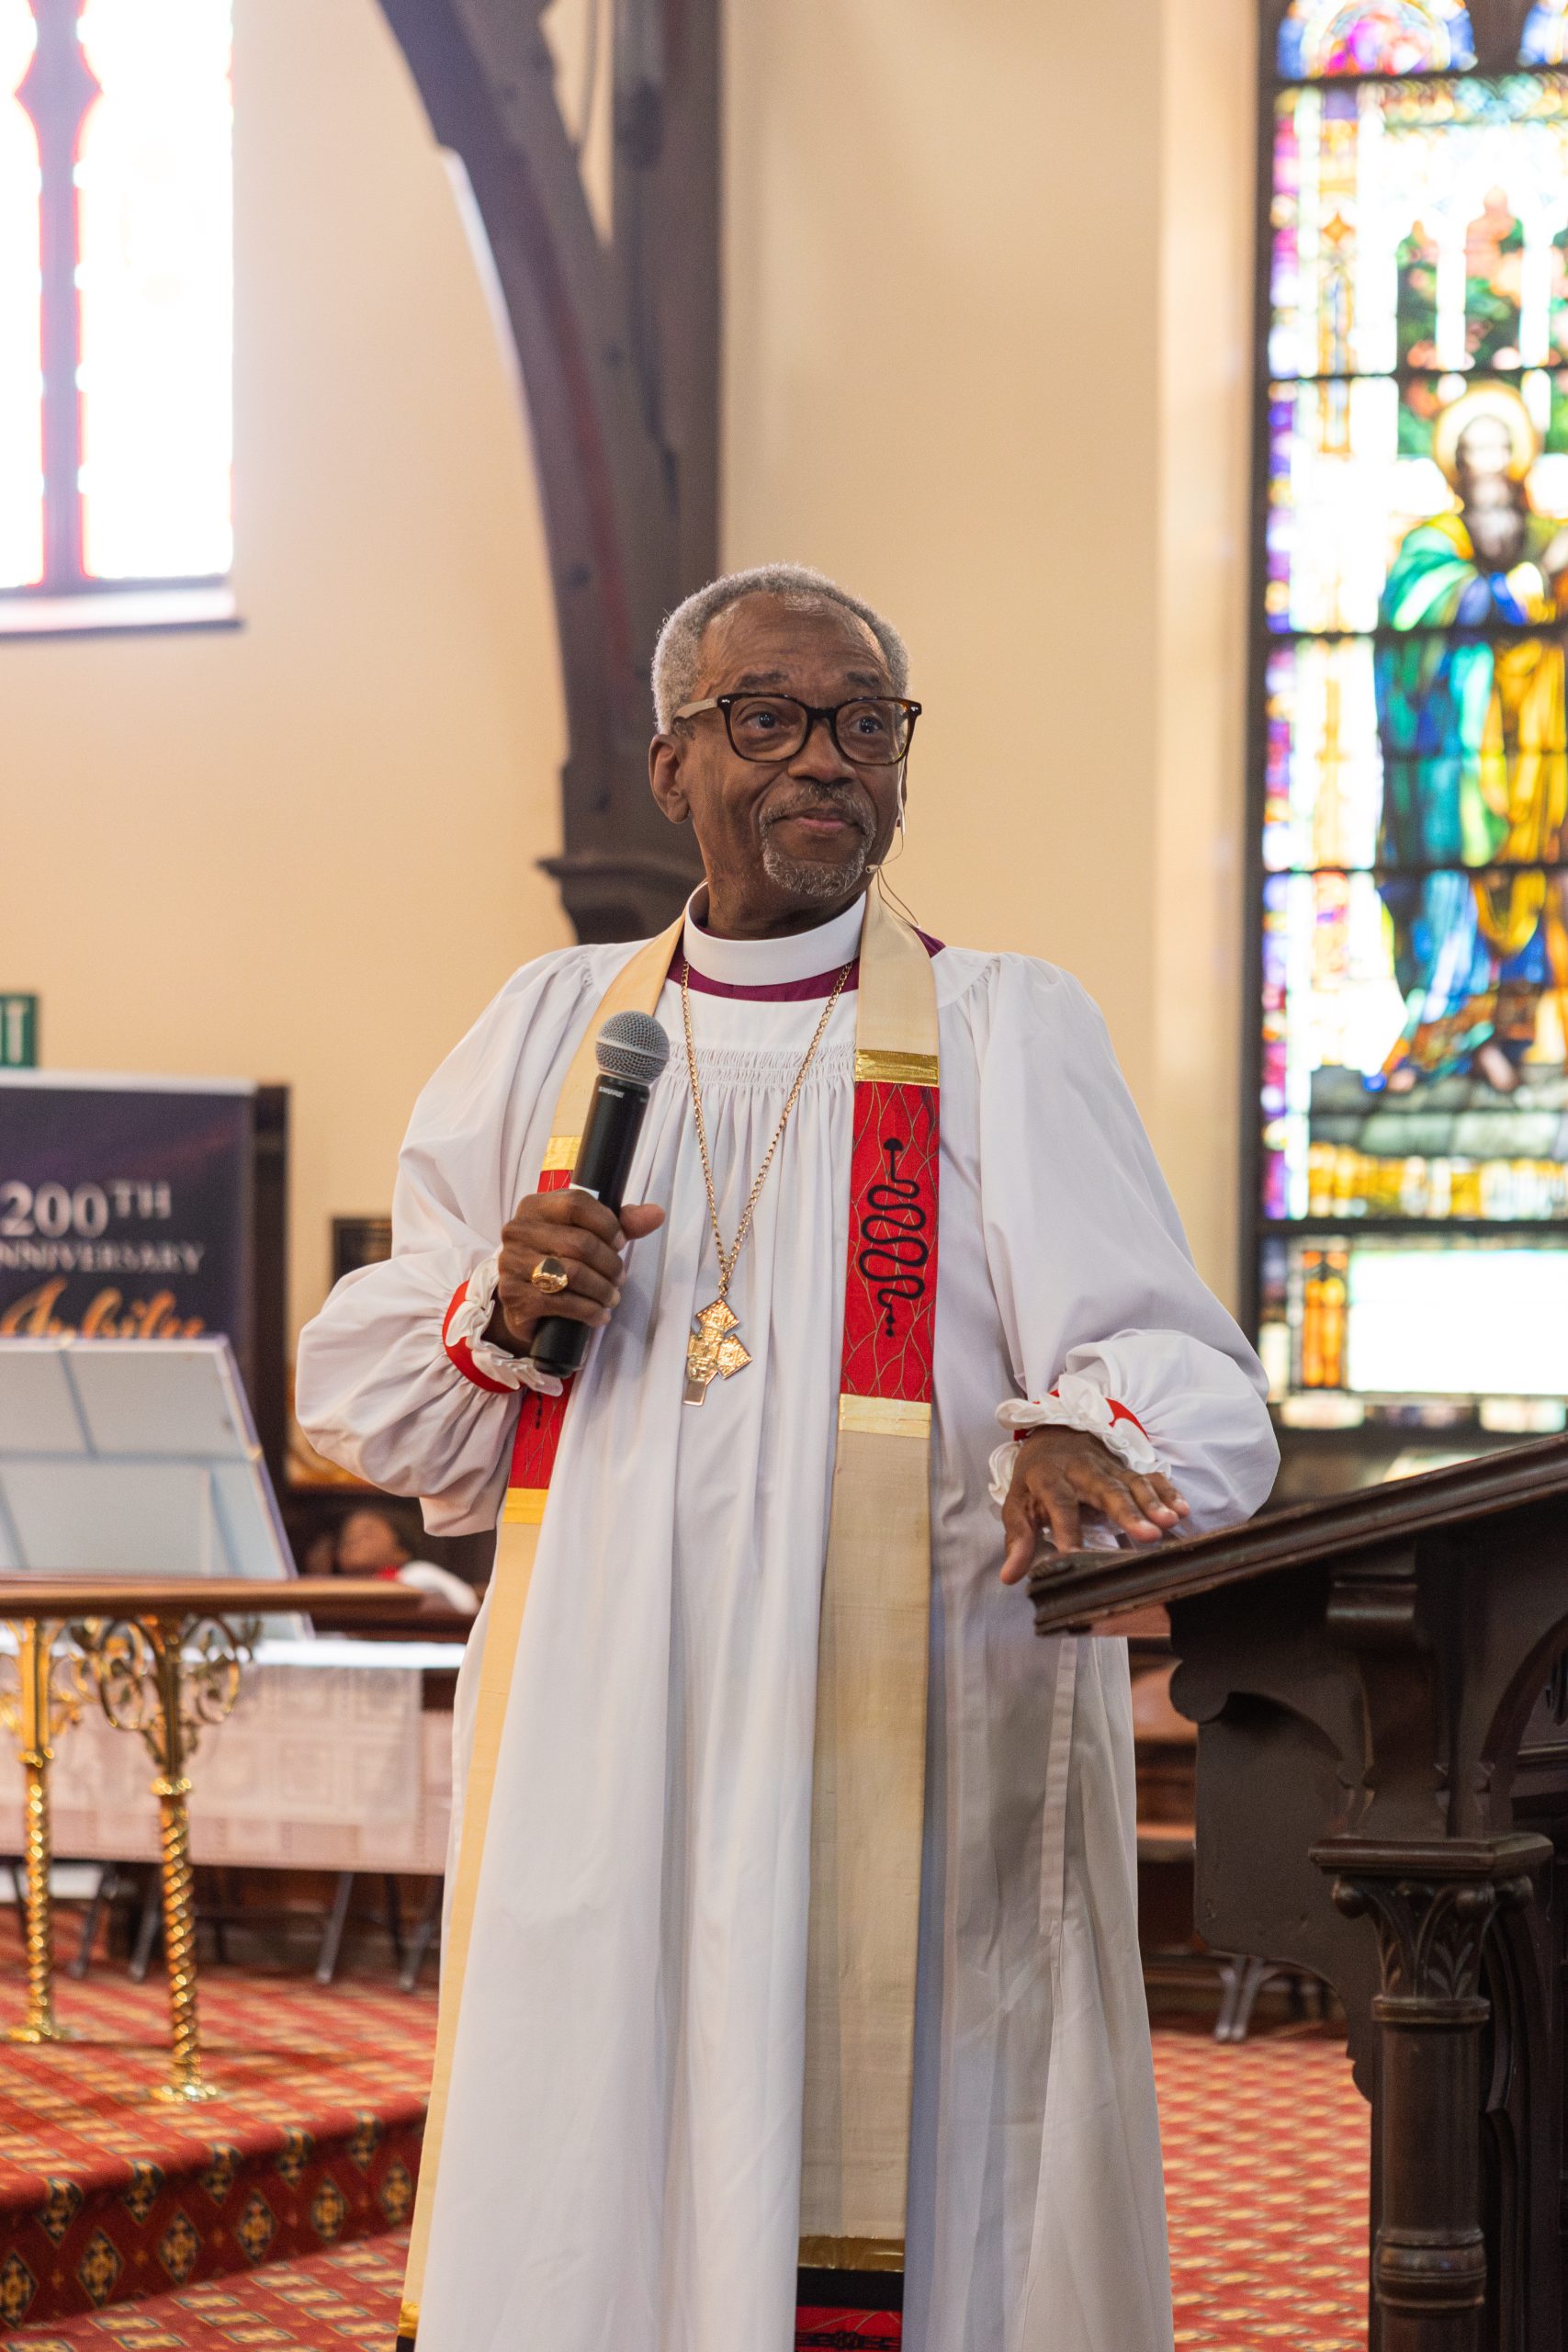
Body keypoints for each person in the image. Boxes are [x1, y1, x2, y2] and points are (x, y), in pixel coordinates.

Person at [296, 564, 1278, 2352]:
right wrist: (491, 1304)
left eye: (864, 722)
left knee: (905, 2176)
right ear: (671, 763)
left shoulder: (996, 1026)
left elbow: (1191, 1382)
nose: (823, 760)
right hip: (618, 1744)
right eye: (768, 719)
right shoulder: (553, 1026)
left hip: (903, 1735)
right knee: (609, 2147)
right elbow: (366, 1394)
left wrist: (1081, 1420)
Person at [1375, 384, 1568, 1093]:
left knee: (1530, 885)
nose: (1486, 463)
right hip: (1450, 759)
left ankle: (1513, 1038)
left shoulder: (1547, 537)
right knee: (1452, 886)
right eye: (1472, 450)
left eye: (1497, 448)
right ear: (1454, 463)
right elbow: (1421, 610)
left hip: (1536, 759)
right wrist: (1524, 586)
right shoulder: (1430, 546)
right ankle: (1442, 1036)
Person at [333, 1503, 479, 1616]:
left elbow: (467, 1608)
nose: (352, 1541)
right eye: (347, 1536)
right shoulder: (332, 1593)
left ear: (400, 1551)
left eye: (367, 1533)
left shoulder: (420, 1576)